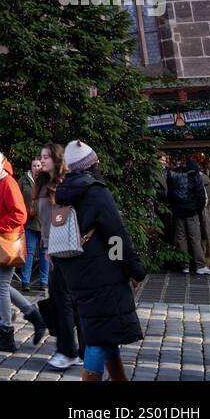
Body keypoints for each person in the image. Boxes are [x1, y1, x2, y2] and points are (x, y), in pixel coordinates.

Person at [55, 140, 146, 381]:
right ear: (90, 165)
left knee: (104, 328)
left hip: (76, 271)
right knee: (97, 335)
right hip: (102, 274)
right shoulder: (96, 192)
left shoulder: (63, 193)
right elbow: (115, 235)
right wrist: (131, 269)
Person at [0, 146, 47, 353]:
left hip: (7, 240)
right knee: (1, 285)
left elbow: (20, 215)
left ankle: (7, 332)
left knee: (0, 286)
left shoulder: (6, 182)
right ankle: (34, 315)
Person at [35, 142, 83, 371]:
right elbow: (44, 221)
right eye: (41, 156)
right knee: (62, 299)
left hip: (65, 248)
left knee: (64, 299)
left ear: (56, 159)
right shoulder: (43, 183)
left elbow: (65, 218)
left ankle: (69, 350)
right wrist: (46, 247)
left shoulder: (64, 183)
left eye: (46, 157)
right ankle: (73, 348)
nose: (42, 160)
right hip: (52, 248)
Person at [166, 157, 210, 275]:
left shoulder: (175, 176)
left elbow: (169, 194)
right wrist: (197, 209)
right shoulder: (194, 176)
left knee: (181, 239)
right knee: (195, 238)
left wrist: (175, 208)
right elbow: (201, 195)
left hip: (178, 212)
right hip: (191, 212)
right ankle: (200, 265)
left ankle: (184, 265)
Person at [18, 156, 49, 293]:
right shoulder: (23, 181)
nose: (37, 168)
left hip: (44, 223)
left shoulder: (48, 180)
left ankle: (44, 281)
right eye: (34, 166)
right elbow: (16, 198)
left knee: (44, 253)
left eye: (39, 166)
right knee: (29, 252)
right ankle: (25, 282)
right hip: (29, 222)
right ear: (31, 167)